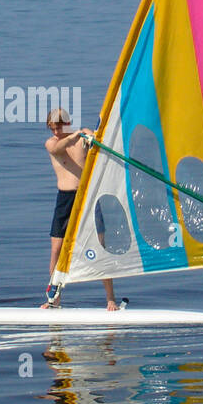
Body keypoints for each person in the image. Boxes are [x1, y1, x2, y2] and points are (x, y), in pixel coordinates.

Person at [41, 107, 118, 310]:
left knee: (101, 245)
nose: (55, 132)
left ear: (67, 123)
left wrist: (92, 138)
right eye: (52, 128)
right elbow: (58, 149)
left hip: (87, 198)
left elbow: (101, 139)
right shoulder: (52, 143)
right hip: (65, 199)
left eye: (58, 128)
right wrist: (74, 136)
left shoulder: (82, 136)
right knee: (56, 250)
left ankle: (111, 299)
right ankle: (54, 299)